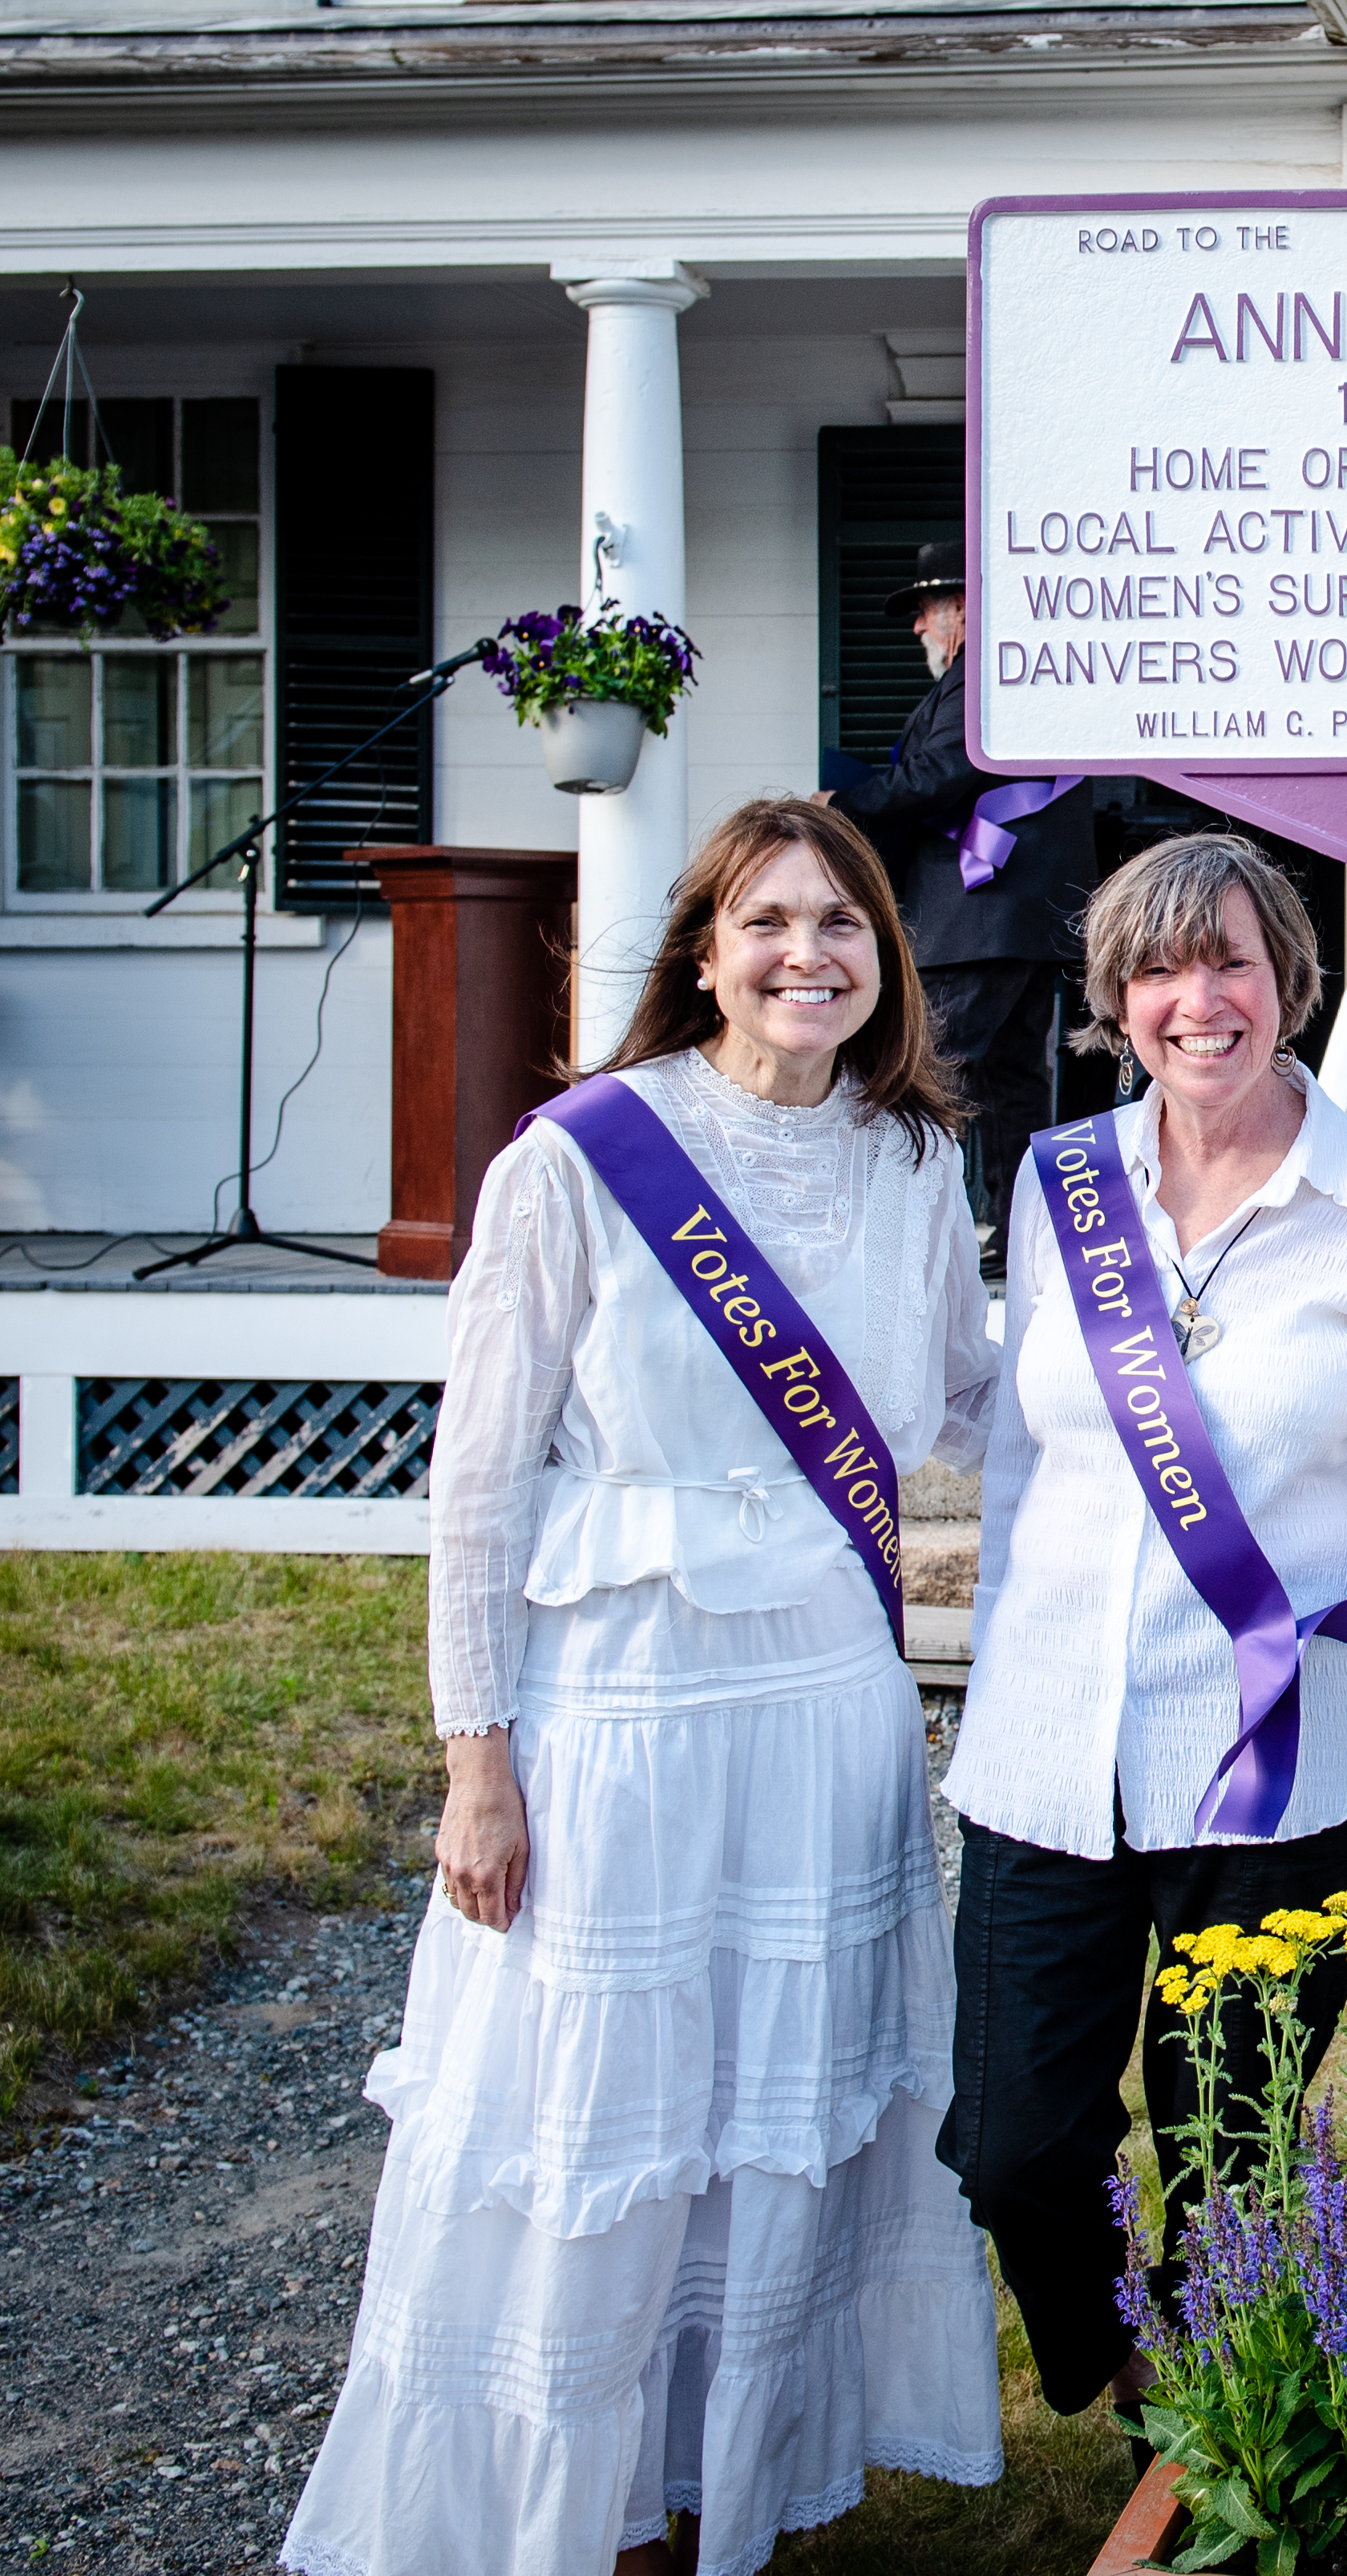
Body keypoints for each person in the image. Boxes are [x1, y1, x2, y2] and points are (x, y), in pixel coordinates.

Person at [285, 799, 1002, 2576]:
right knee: (596, 2122)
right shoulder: (580, 1160)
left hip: (824, 1713)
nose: (806, 955)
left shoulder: (915, 1163)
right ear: (703, 950)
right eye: (767, 921)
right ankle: (564, 2512)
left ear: (884, 959)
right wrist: (477, 1760)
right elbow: (478, 1485)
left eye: (842, 924)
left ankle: (711, 2493)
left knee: (776, 2119)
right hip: (619, 1716)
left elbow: (968, 1405)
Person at [936, 831, 1347, 2419]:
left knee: (1231, 2143)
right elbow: (1019, 1457)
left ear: (1290, 977)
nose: (1195, 999)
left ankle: (1217, 2425)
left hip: (1275, 1755)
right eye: (1155, 967)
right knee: (1013, 2145)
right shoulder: (1060, 1180)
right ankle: (1126, 2362)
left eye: (1228, 959)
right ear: (1114, 997)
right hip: (1045, 1749)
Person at [825, 536, 1093, 1276]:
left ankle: (899, 1236)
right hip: (1013, 919)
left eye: (928, 607)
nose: (918, 625)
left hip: (977, 919)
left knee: (926, 1070)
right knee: (1014, 1084)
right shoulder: (1011, 674)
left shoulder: (981, 675)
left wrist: (840, 803)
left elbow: (938, 774)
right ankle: (1024, 1238)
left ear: (967, 608)